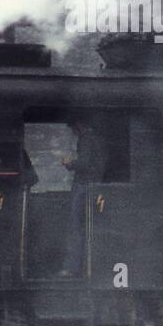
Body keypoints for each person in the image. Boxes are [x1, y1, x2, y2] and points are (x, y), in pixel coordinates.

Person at [60, 114, 107, 276]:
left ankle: (72, 267)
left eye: (73, 128)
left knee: (74, 226)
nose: (73, 131)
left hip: (83, 186)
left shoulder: (85, 139)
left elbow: (84, 163)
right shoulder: (98, 139)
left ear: (79, 124)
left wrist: (69, 163)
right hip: (95, 186)